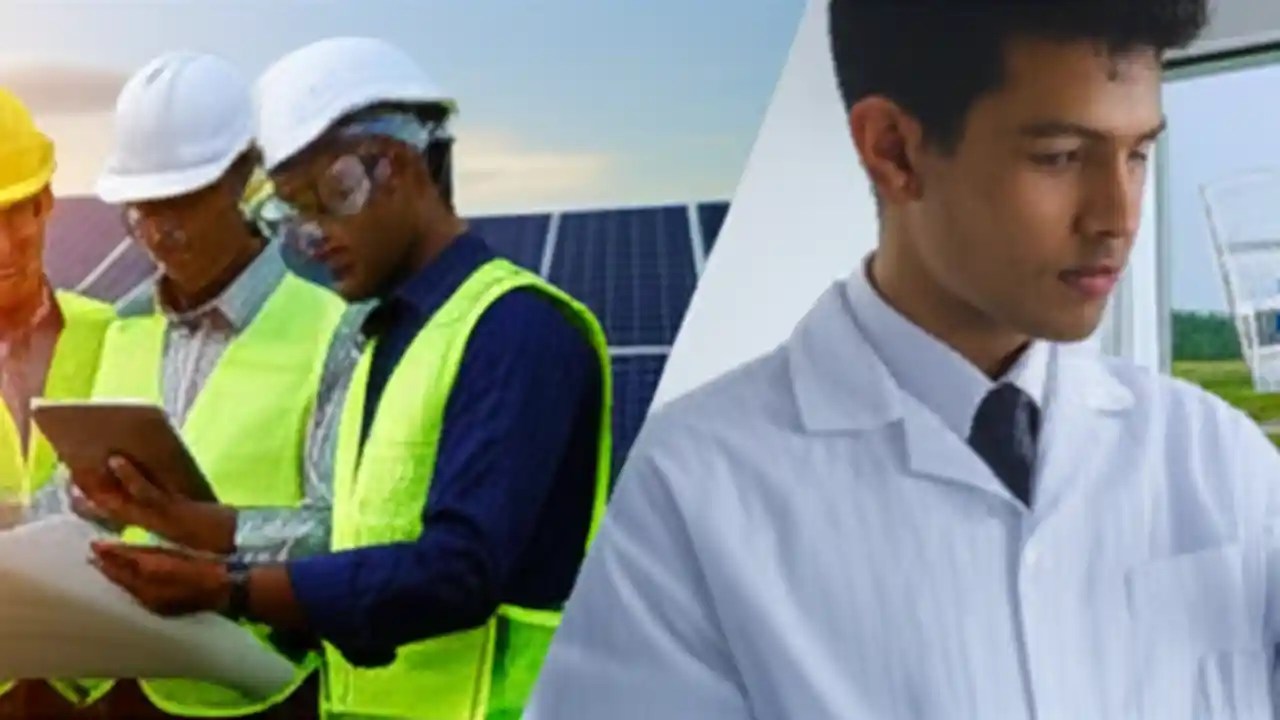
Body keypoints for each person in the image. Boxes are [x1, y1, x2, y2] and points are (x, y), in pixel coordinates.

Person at [522, 2, 1273, 719]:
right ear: (895, 151)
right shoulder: (686, 494)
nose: (1118, 216)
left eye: (1139, 153)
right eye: (1061, 156)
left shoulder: (1224, 461)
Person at [85, 36, 614, 720]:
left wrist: (227, 586)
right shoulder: (388, 337)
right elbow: (359, 542)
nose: (309, 235)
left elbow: (457, 572)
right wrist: (187, 523)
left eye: (328, 197)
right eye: (290, 211)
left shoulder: (516, 330)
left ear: (396, 167)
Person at [35, 50, 352, 718]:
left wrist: (216, 567)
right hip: (123, 686)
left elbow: (345, 533)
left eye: (181, 200)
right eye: (141, 207)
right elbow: (83, 502)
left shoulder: (336, 328)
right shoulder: (124, 328)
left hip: (270, 693)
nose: (157, 231)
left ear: (248, 175)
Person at [0, 87, 116, 718]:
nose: (1, 247)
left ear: (47, 205)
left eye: (17, 211)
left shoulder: (117, 333)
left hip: (98, 683)